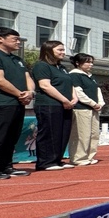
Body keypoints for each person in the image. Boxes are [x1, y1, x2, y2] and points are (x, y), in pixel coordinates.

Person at [0, 27, 35, 180]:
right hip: (1, 102)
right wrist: (19, 94)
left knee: (12, 136)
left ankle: (6, 166)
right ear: (0, 38)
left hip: (18, 103)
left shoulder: (17, 59)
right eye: (15, 39)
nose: (19, 42)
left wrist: (30, 92)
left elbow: (28, 78)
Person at [31, 40, 76, 171]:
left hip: (65, 105)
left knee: (62, 132)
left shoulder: (62, 68)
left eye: (63, 50)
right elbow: (45, 86)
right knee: (49, 132)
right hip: (49, 104)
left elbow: (69, 84)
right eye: (60, 50)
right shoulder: (42, 66)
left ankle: (57, 159)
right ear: (49, 51)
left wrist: (74, 97)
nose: (63, 52)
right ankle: (45, 162)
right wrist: (64, 100)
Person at [68, 53, 104, 166]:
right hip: (82, 108)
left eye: (92, 62)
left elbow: (97, 90)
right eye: (87, 62)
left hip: (94, 109)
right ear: (78, 63)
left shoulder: (90, 75)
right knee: (82, 134)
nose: (90, 64)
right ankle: (79, 157)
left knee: (94, 134)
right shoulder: (74, 75)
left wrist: (100, 103)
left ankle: (90, 155)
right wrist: (92, 103)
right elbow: (78, 92)